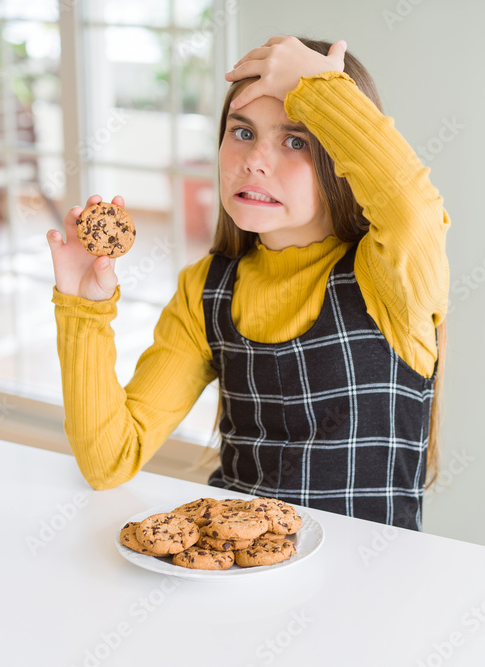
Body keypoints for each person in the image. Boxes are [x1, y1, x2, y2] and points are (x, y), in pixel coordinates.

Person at [46, 36, 449, 530]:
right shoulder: (204, 290)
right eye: (242, 132)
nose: (254, 160)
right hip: (238, 577)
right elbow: (108, 460)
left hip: (366, 586)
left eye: (296, 140)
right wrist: (83, 308)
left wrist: (323, 88)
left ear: (340, 162)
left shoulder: (389, 277)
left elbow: (413, 209)